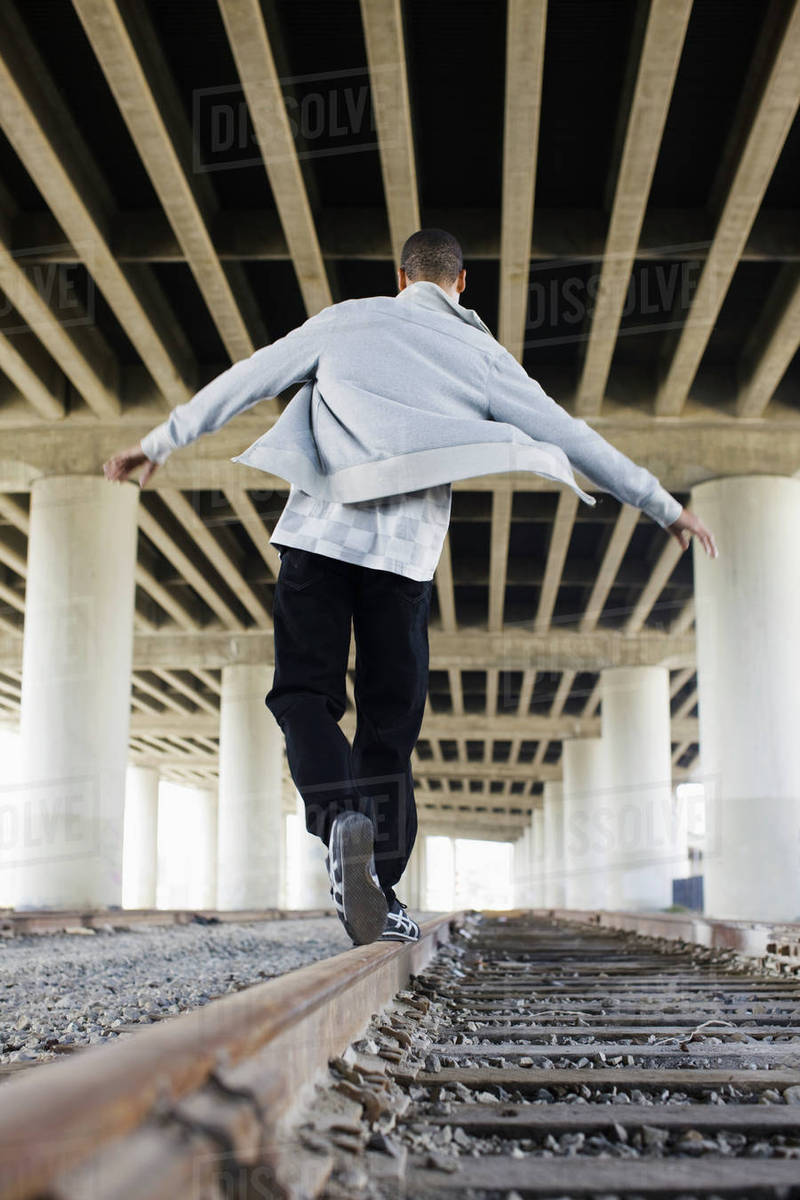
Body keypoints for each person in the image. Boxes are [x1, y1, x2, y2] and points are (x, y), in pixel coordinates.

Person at [104, 228, 717, 946]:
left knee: (303, 695)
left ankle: (340, 824)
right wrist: (663, 506)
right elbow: (574, 436)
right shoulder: (481, 357)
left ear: (401, 278)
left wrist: (159, 442)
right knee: (389, 728)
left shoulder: (347, 320)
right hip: (402, 563)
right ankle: (381, 885)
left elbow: (247, 379)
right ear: (462, 285)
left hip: (317, 541)